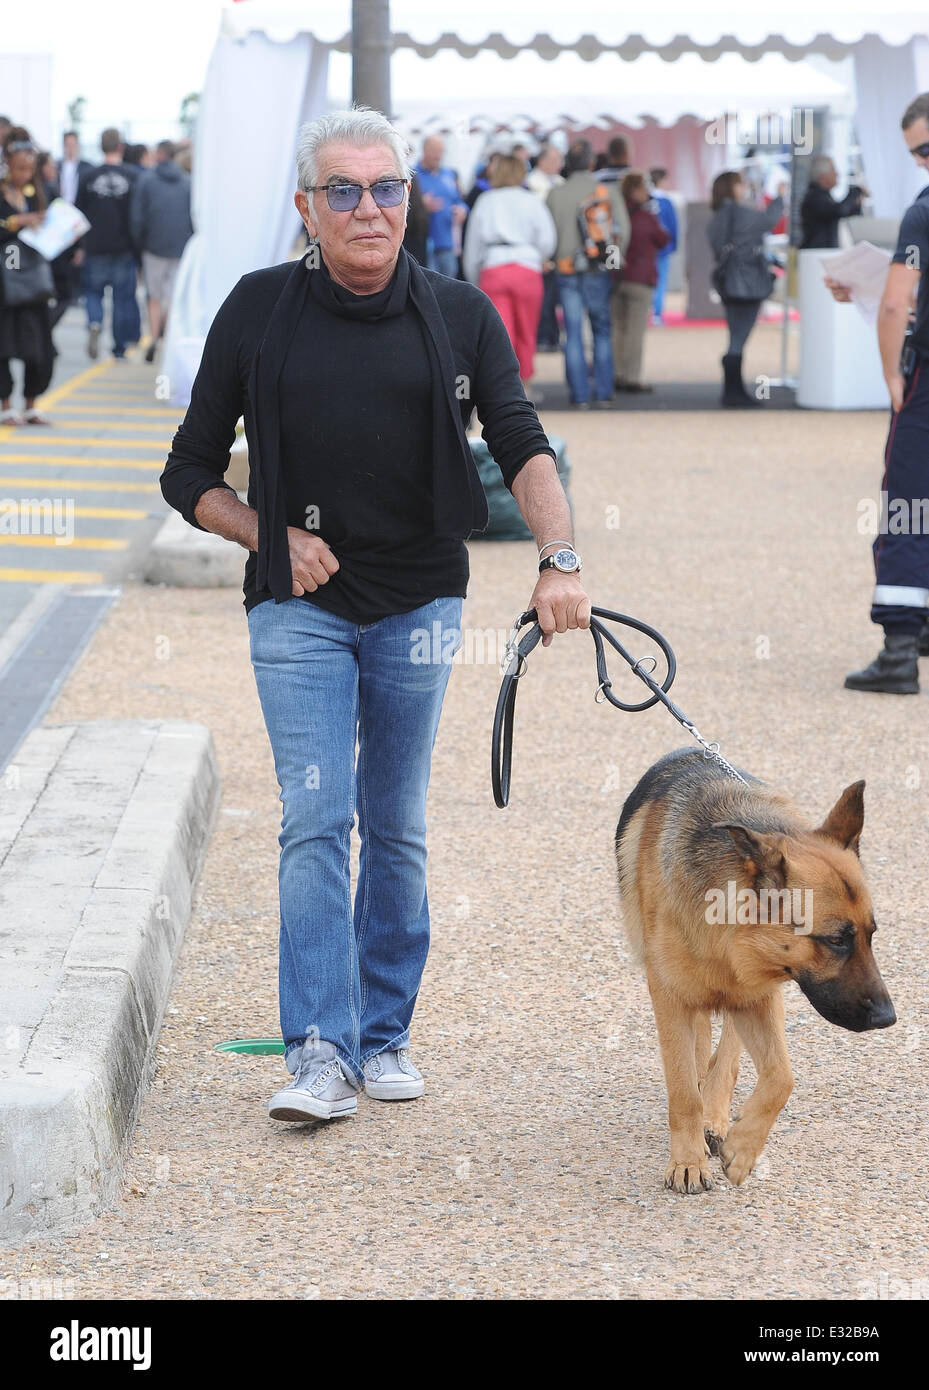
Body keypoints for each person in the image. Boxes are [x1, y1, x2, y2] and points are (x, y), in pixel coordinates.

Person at [159, 105, 591, 1124]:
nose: (367, 208)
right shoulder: (257, 310)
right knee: (318, 818)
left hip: (421, 603)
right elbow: (186, 473)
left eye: (385, 187)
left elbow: (523, 440)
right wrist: (267, 533)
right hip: (296, 607)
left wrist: (559, 556)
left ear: (411, 198)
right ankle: (318, 1049)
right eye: (343, 191)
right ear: (306, 207)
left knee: (392, 824)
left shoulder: (457, 311)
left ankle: (384, 1032)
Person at [826, 94, 929, 693]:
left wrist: (893, 375)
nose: (919, 162)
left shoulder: (923, 212)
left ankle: (898, 651)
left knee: (909, 504)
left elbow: (897, 302)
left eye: (925, 149)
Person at [546, 138, 630, 406]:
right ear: (593, 163)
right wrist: (613, 261)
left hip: (566, 267)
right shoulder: (605, 192)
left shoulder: (555, 193)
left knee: (572, 332)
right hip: (597, 267)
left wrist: (553, 257)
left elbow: (548, 233)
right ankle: (604, 392)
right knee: (601, 329)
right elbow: (623, 231)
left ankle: (579, 394)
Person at [462, 153, 556, 383]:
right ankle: (525, 388)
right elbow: (548, 240)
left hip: (493, 268)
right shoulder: (531, 200)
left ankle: (502, 389)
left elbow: (472, 247)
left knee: (499, 336)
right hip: (527, 268)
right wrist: (539, 257)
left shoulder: (486, 200)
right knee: (527, 333)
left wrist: (473, 279)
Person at [707, 169, 786, 408]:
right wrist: (780, 198)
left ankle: (733, 389)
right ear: (732, 187)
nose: (744, 188)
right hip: (747, 283)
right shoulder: (739, 213)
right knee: (739, 338)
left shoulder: (717, 216)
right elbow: (767, 221)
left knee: (735, 334)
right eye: (740, 184)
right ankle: (733, 392)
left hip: (728, 281)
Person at [0, 127, 54, 425]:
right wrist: (16, 221)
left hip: (33, 281)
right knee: (3, 345)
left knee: (40, 347)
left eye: (29, 168)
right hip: (4, 281)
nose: (25, 174)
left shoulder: (39, 192)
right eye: (20, 167)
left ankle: (31, 404)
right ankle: (6, 404)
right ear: (8, 162)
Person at [75, 127, 141, 360]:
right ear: (120, 147)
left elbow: (77, 214)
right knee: (122, 299)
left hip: (94, 246)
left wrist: (79, 247)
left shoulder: (88, 176)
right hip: (123, 247)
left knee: (93, 293)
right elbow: (138, 215)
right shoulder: (133, 177)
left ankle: (94, 322)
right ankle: (119, 347)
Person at [130, 139, 193, 362]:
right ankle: (168, 338)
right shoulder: (187, 183)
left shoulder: (146, 180)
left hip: (153, 247)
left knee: (154, 296)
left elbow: (137, 216)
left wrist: (140, 244)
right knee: (173, 296)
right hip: (180, 246)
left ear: (159, 155)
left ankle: (154, 336)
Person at [612, 171, 670, 393]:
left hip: (617, 277)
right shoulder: (646, 217)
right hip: (640, 279)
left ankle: (615, 373)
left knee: (617, 329)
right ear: (636, 191)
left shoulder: (616, 215)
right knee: (635, 331)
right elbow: (663, 238)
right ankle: (632, 377)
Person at [527, 143, 565, 350]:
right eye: (555, 159)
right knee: (543, 296)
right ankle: (543, 336)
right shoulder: (531, 184)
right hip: (539, 250)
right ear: (543, 161)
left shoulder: (560, 183)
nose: (559, 163)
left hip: (558, 249)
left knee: (553, 296)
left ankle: (552, 336)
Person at [414, 135, 467, 277]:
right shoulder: (412, 175)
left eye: (441, 151)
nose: (438, 155)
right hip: (424, 245)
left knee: (449, 290)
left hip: (448, 243)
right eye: (434, 150)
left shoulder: (449, 174)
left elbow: (459, 200)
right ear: (424, 150)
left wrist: (462, 209)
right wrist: (420, 204)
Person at [800, 155, 865, 250]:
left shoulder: (824, 196)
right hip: (815, 254)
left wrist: (857, 203)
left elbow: (846, 212)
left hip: (823, 252)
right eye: (833, 170)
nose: (837, 174)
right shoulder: (814, 198)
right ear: (822, 176)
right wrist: (855, 191)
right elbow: (839, 210)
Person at [649, 167, 678, 323]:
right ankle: (657, 314)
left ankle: (649, 309)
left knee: (647, 280)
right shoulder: (666, 202)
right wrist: (674, 245)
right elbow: (673, 226)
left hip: (646, 249)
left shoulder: (646, 201)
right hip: (663, 248)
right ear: (660, 181)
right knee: (660, 281)